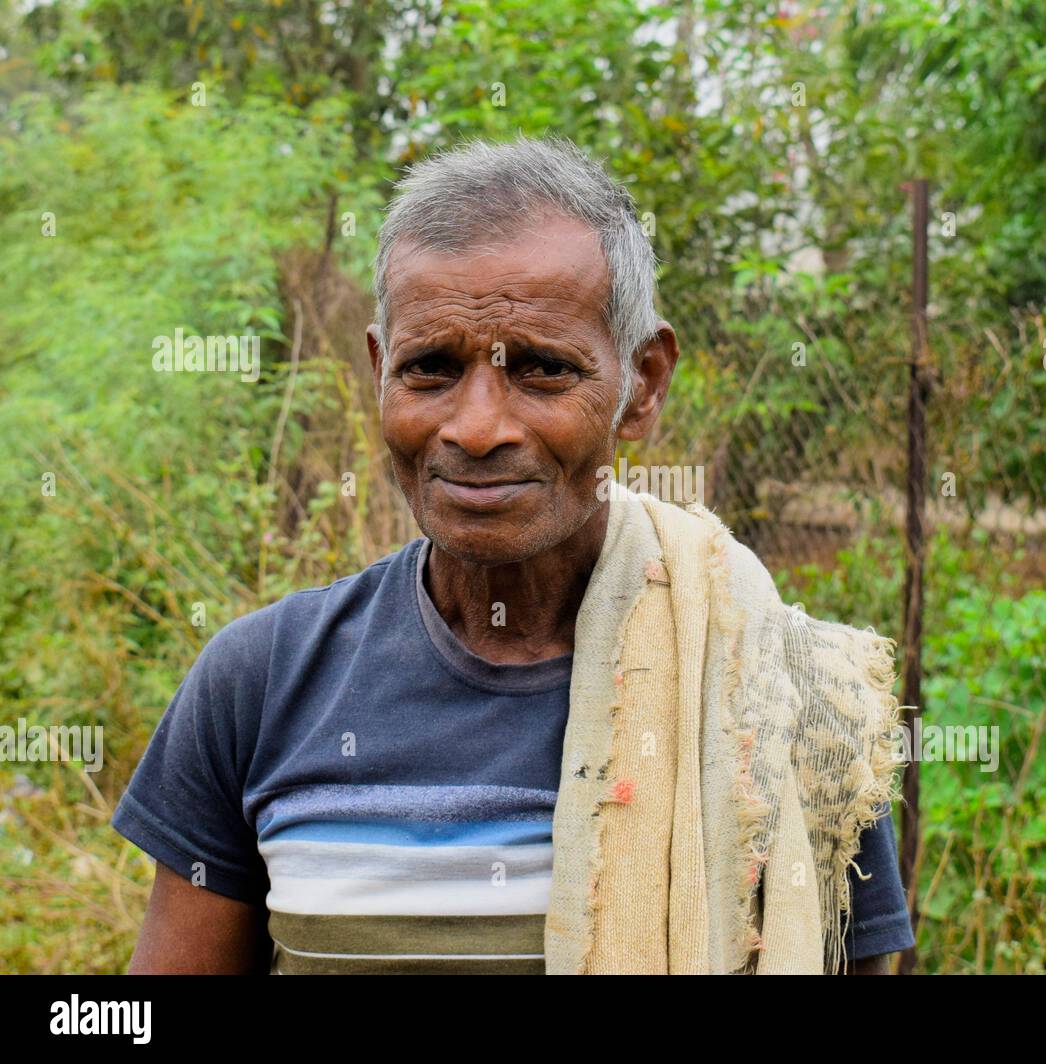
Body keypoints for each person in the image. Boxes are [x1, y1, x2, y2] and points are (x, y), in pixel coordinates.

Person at [113, 136, 915, 974]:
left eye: (540, 369)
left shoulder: (777, 697)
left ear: (642, 385)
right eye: (430, 368)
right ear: (381, 371)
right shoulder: (261, 681)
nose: (477, 427)